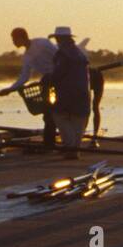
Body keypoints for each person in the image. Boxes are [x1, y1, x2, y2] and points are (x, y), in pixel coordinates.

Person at [0, 27, 58, 150]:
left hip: (59, 80)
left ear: (22, 37)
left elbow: (59, 56)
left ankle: (52, 142)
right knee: (48, 114)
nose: (13, 42)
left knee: (54, 112)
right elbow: (24, 77)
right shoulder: (27, 57)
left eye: (14, 39)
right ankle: (49, 142)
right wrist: (10, 89)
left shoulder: (42, 43)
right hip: (47, 83)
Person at [46, 26, 90, 160]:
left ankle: (70, 147)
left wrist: (47, 79)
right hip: (83, 93)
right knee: (79, 120)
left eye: (58, 39)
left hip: (67, 93)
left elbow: (58, 74)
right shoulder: (80, 54)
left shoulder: (62, 54)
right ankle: (75, 149)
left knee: (60, 116)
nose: (57, 42)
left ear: (60, 39)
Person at [90, 65, 105, 138]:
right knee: (85, 107)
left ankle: (95, 135)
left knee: (95, 107)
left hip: (97, 77)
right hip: (84, 77)